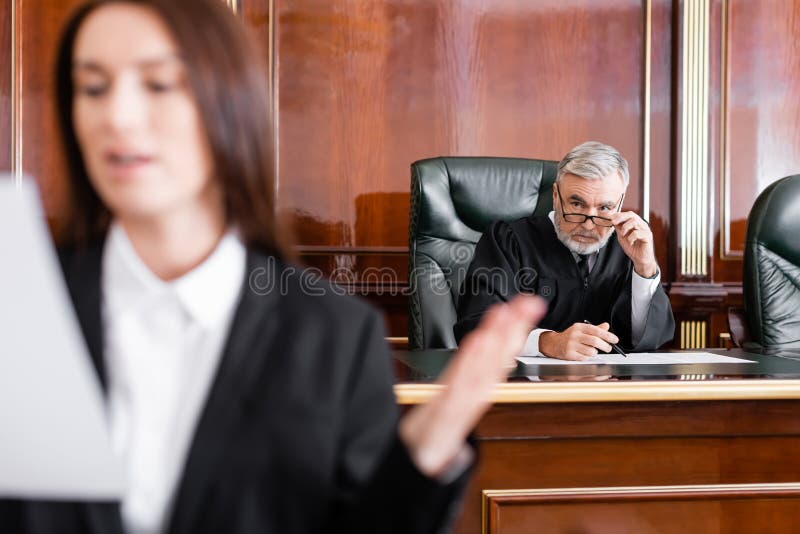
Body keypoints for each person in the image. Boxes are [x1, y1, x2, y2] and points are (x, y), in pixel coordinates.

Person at [0, 1, 546, 533]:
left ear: (228, 104)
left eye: (158, 84)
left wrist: (428, 448)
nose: (116, 115)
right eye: (92, 87)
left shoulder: (333, 335)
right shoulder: (20, 311)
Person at [454, 141, 674, 360]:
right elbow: (476, 326)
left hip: (610, 387)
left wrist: (645, 269)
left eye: (605, 208)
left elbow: (652, 339)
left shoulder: (629, 244)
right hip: (524, 389)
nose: (588, 225)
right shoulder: (509, 241)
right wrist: (546, 342)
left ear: (620, 203)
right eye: (577, 205)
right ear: (556, 196)